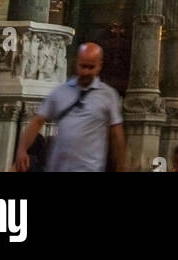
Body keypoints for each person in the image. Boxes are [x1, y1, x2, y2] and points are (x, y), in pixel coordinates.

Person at [14, 42, 125, 173]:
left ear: (99, 66)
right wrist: (22, 149)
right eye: (83, 66)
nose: (86, 71)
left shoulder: (108, 95)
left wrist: (120, 166)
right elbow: (37, 121)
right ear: (76, 63)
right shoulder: (60, 92)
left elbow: (116, 134)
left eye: (91, 67)